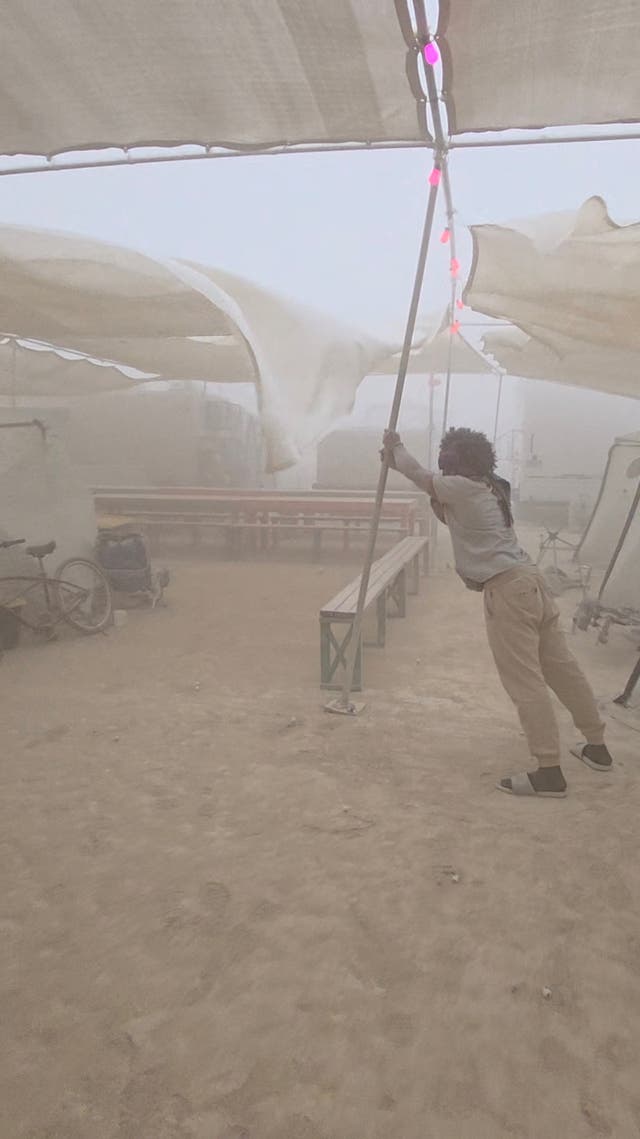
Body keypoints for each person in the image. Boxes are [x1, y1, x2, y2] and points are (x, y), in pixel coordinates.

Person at [381, 426, 613, 798]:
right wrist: (403, 468)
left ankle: (549, 771)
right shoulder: (494, 486)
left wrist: (397, 450)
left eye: (449, 460)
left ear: (462, 462)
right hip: (530, 582)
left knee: (526, 682)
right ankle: (597, 746)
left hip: (508, 590)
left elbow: (420, 476)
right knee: (561, 668)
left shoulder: (466, 487)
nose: (444, 466)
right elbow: (454, 518)